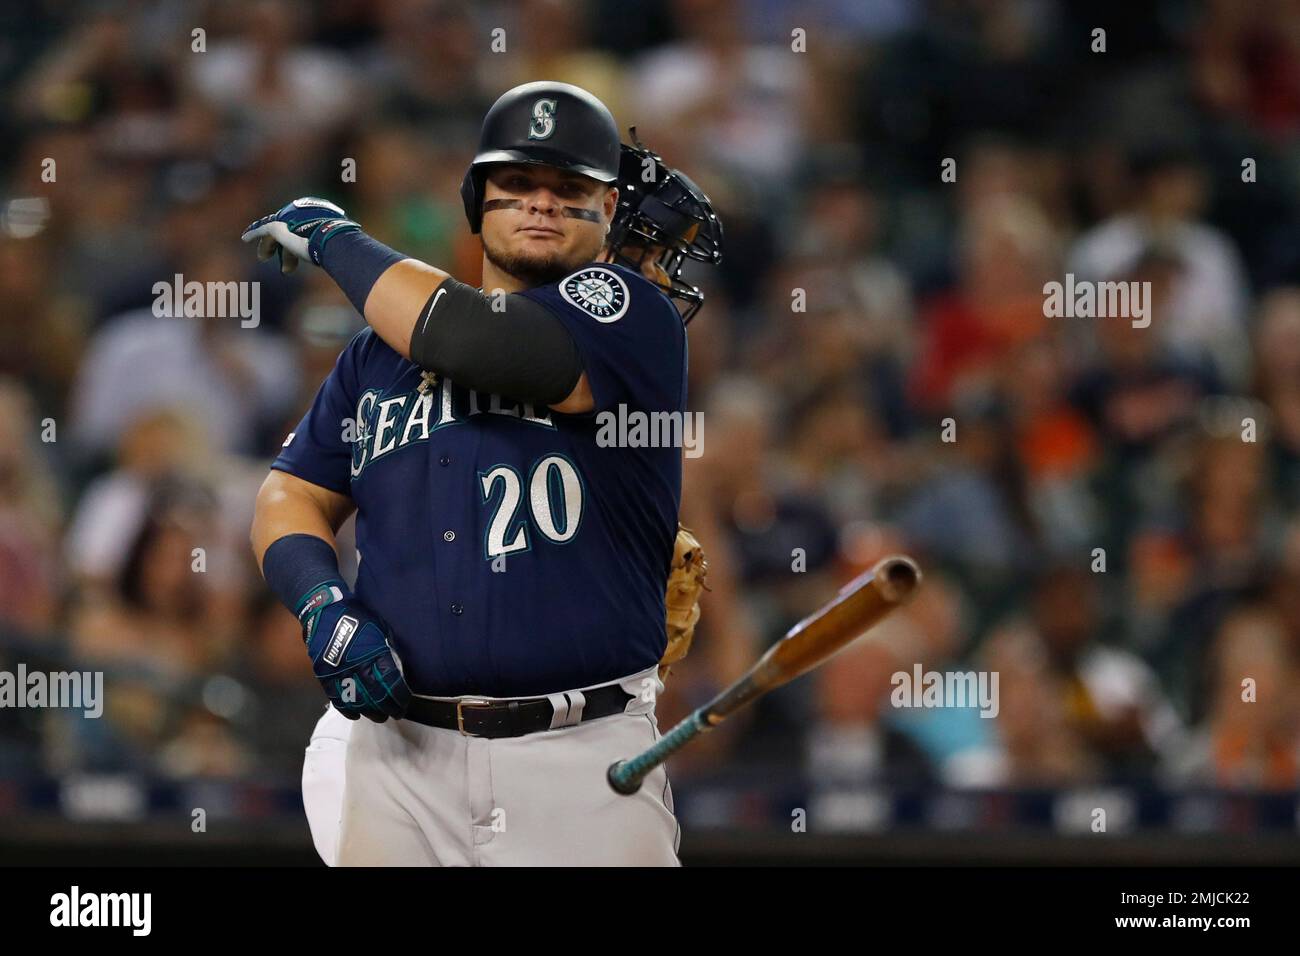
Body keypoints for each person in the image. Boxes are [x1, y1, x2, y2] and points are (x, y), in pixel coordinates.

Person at [245, 81, 721, 866]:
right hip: (393, 756)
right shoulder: (375, 354)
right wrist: (321, 605)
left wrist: (335, 239)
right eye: (517, 186)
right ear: (479, 204)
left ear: (608, 215)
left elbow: (477, 342)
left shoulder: (629, 310)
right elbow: (288, 492)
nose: (541, 204)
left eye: (570, 190)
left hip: (579, 758)